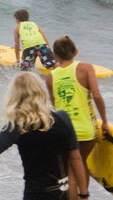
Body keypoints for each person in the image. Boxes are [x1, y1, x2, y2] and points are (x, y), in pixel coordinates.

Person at [45, 37, 107, 177]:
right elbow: (97, 96)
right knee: (82, 163)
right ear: (75, 51)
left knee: (70, 169)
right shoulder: (86, 68)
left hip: (63, 129)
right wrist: (105, 122)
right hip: (86, 129)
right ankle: (83, 198)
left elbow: (55, 103)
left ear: (54, 55)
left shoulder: (50, 77)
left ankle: (77, 199)